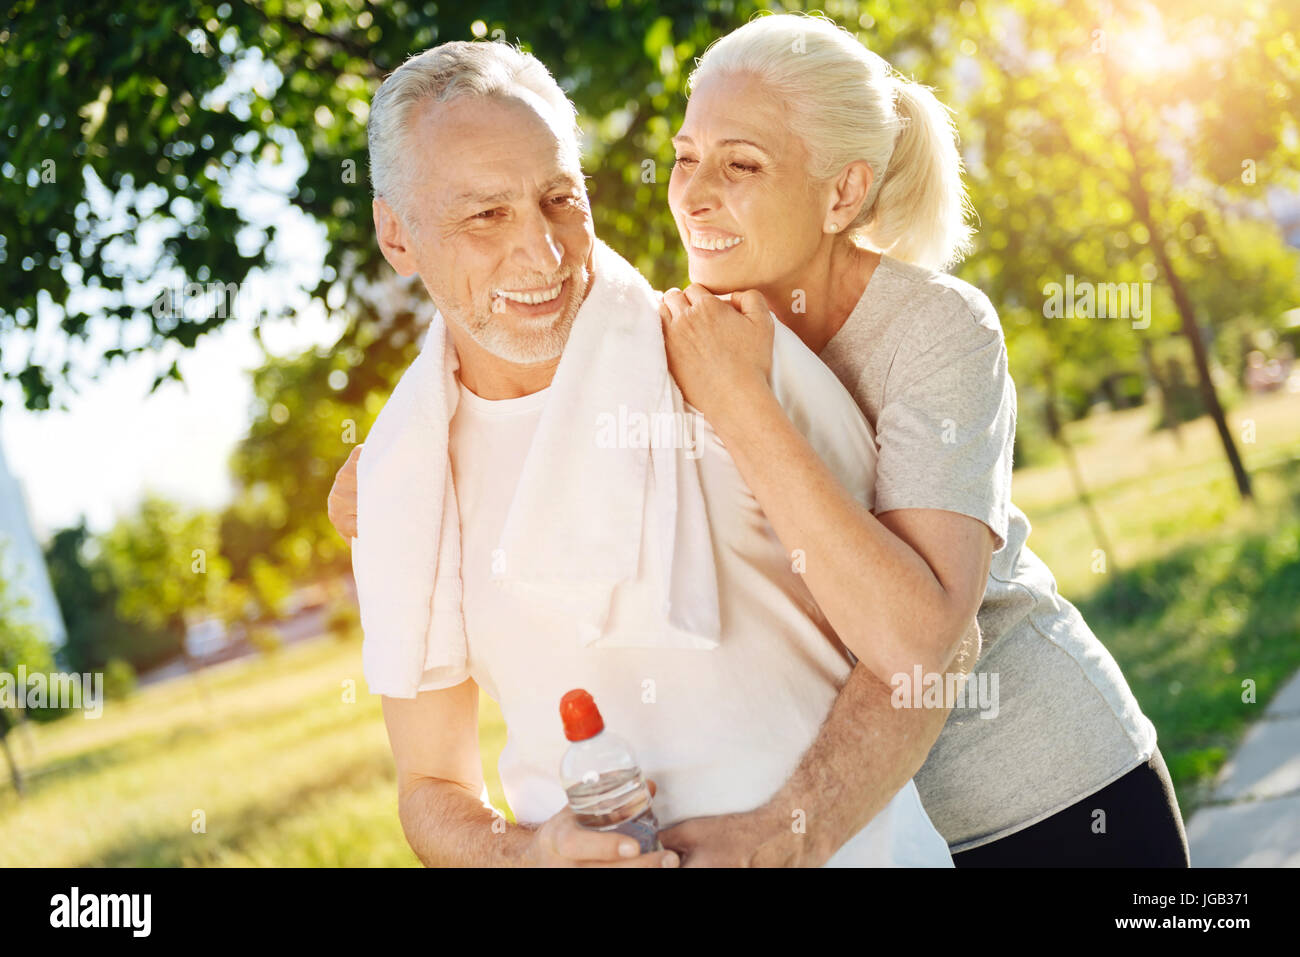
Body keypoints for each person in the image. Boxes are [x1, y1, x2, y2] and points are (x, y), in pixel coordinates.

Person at [343, 38, 970, 867]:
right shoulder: (401, 479)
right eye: (485, 214)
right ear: (397, 234)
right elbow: (429, 783)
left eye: (560, 198)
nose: (543, 253)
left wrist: (788, 833)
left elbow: (925, 651)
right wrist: (523, 855)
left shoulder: (741, 363)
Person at [654, 12, 1188, 866]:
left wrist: (739, 401)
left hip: (1052, 801)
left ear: (842, 193)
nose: (694, 192)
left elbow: (920, 642)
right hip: (884, 838)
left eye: (741, 163)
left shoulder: (937, 329)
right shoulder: (691, 332)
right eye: (686, 156)